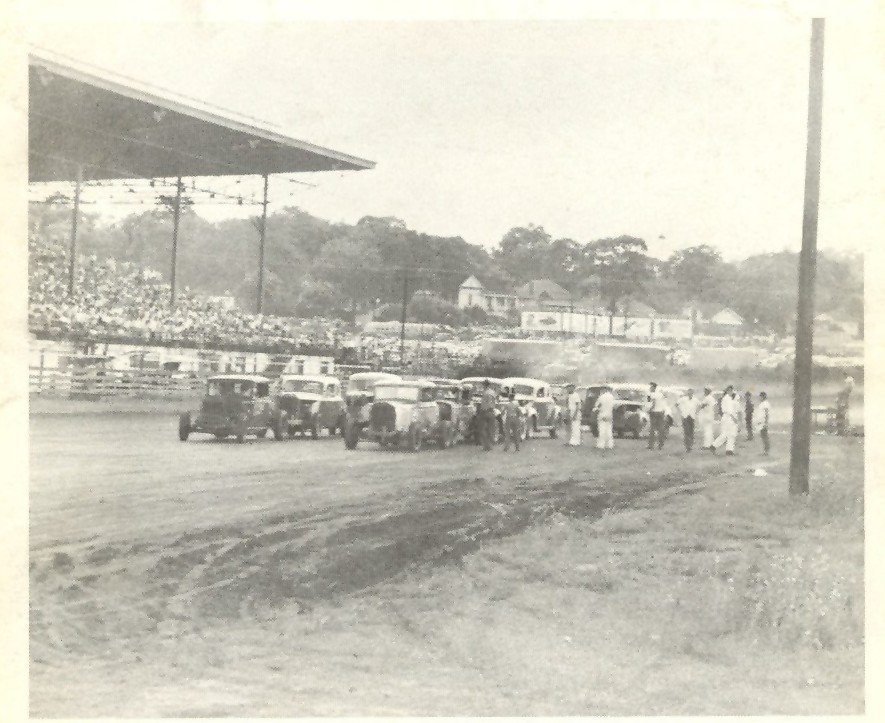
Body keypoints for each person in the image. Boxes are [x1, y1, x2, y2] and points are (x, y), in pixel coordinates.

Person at [712, 385, 739, 455]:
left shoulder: (728, 398)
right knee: (728, 434)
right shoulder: (727, 398)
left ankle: (728, 450)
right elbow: (729, 411)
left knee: (729, 434)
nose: (731, 392)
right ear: (727, 391)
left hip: (728, 417)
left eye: (732, 390)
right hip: (728, 418)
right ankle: (715, 445)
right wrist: (734, 418)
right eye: (730, 390)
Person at [593, 385, 615, 450]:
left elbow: (598, 405)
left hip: (602, 414)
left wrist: (596, 409)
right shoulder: (612, 397)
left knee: (602, 430)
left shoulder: (601, 397)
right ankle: (610, 445)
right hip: (609, 415)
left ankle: (601, 445)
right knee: (609, 430)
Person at [646, 382, 666, 450]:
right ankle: (660, 445)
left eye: (651, 387)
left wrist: (649, 410)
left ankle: (651, 445)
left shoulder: (652, 394)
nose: (650, 388)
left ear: (654, 387)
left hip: (654, 412)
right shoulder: (661, 394)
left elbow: (653, 403)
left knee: (652, 429)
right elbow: (664, 401)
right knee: (661, 429)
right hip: (661, 412)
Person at [479, 379, 498, 451]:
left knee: (483, 429)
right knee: (490, 429)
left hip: (486, 412)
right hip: (492, 411)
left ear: (485, 385)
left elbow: (486, 403)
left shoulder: (486, 393)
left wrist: (483, 410)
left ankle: (486, 446)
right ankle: (489, 445)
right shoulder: (493, 392)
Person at [757, 391, 771, 455]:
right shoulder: (762, 404)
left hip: (763, 422)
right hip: (761, 422)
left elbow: (766, 413)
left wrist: (766, 423)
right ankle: (765, 450)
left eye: (760, 397)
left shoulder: (765, 403)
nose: (759, 398)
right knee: (763, 436)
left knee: (764, 436)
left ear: (763, 397)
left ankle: (766, 451)